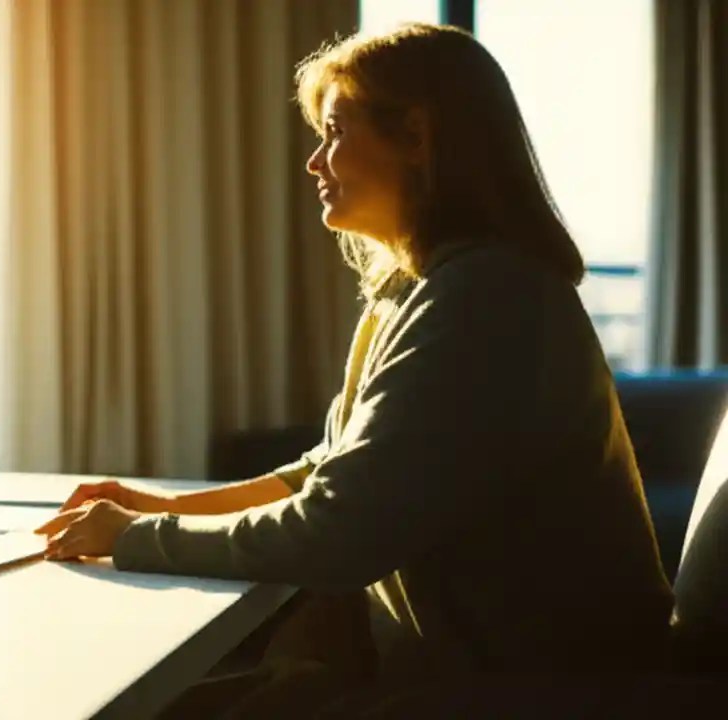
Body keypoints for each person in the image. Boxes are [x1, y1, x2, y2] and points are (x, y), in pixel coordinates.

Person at [35, 22, 673, 715]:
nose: (315, 162)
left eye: (335, 132)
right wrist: (159, 507)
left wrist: (133, 538)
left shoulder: (487, 298)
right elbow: (327, 471)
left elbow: (336, 536)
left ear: (418, 139)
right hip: (461, 672)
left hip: (532, 693)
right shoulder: (424, 290)